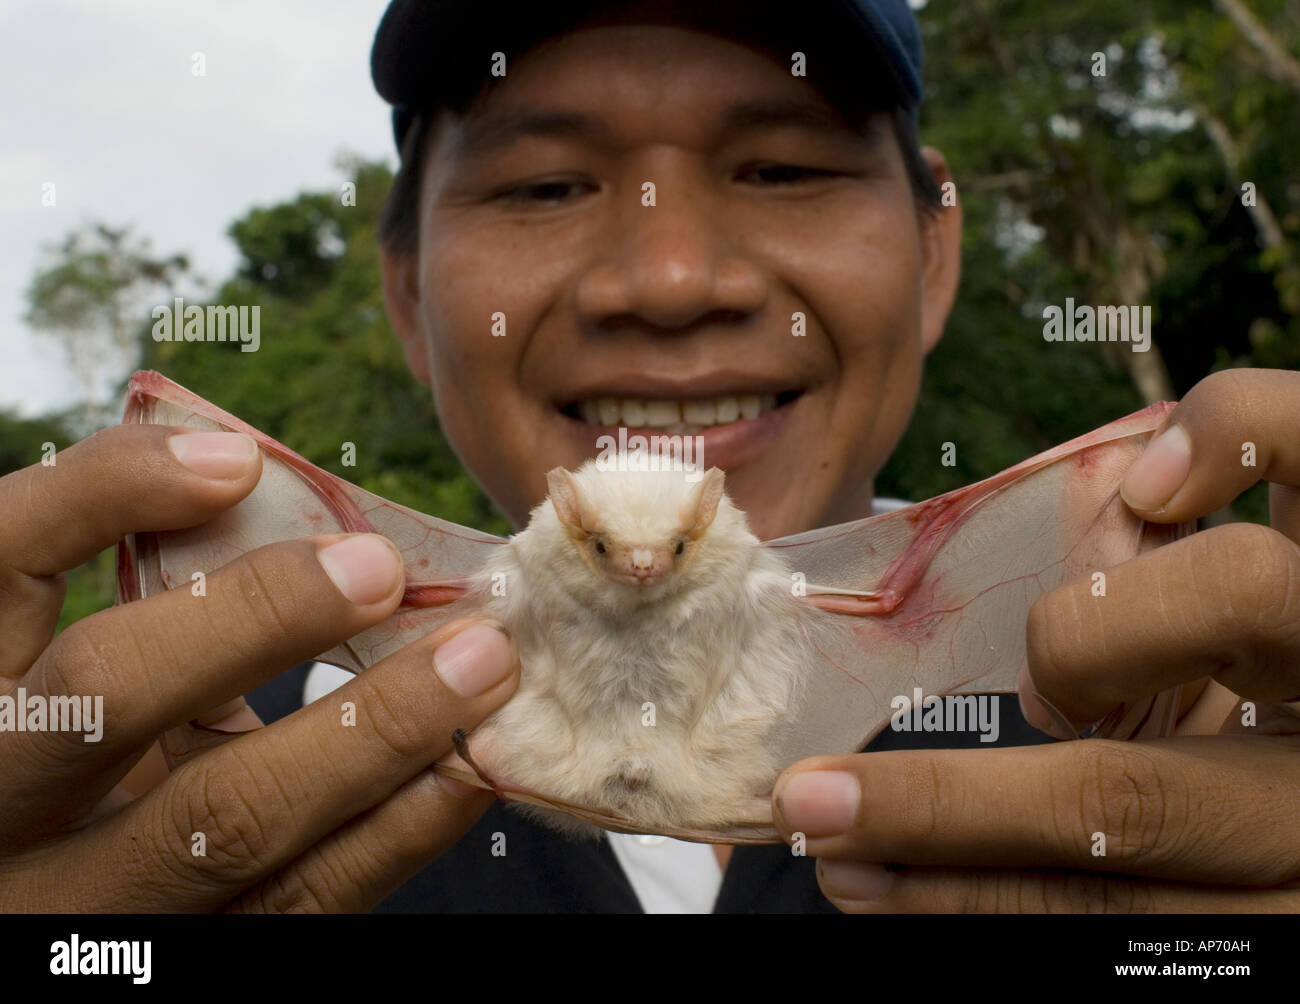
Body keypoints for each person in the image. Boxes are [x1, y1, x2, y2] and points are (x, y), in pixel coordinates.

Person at [0, 0, 1296, 914]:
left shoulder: (1168, 703)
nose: (671, 281)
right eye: (545, 188)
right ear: (404, 296)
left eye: (783, 168)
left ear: (935, 254)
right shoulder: (178, 770)